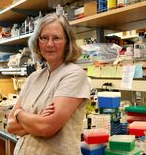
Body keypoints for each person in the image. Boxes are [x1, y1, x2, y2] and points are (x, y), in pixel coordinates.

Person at [7, 13, 91, 155]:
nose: (50, 44)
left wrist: (19, 114)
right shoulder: (34, 77)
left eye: (56, 38)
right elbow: (10, 126)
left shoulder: (74, 75)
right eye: (44, 38)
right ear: (37, 43)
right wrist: (37, 120)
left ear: (67, 43)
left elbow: (46, 127)